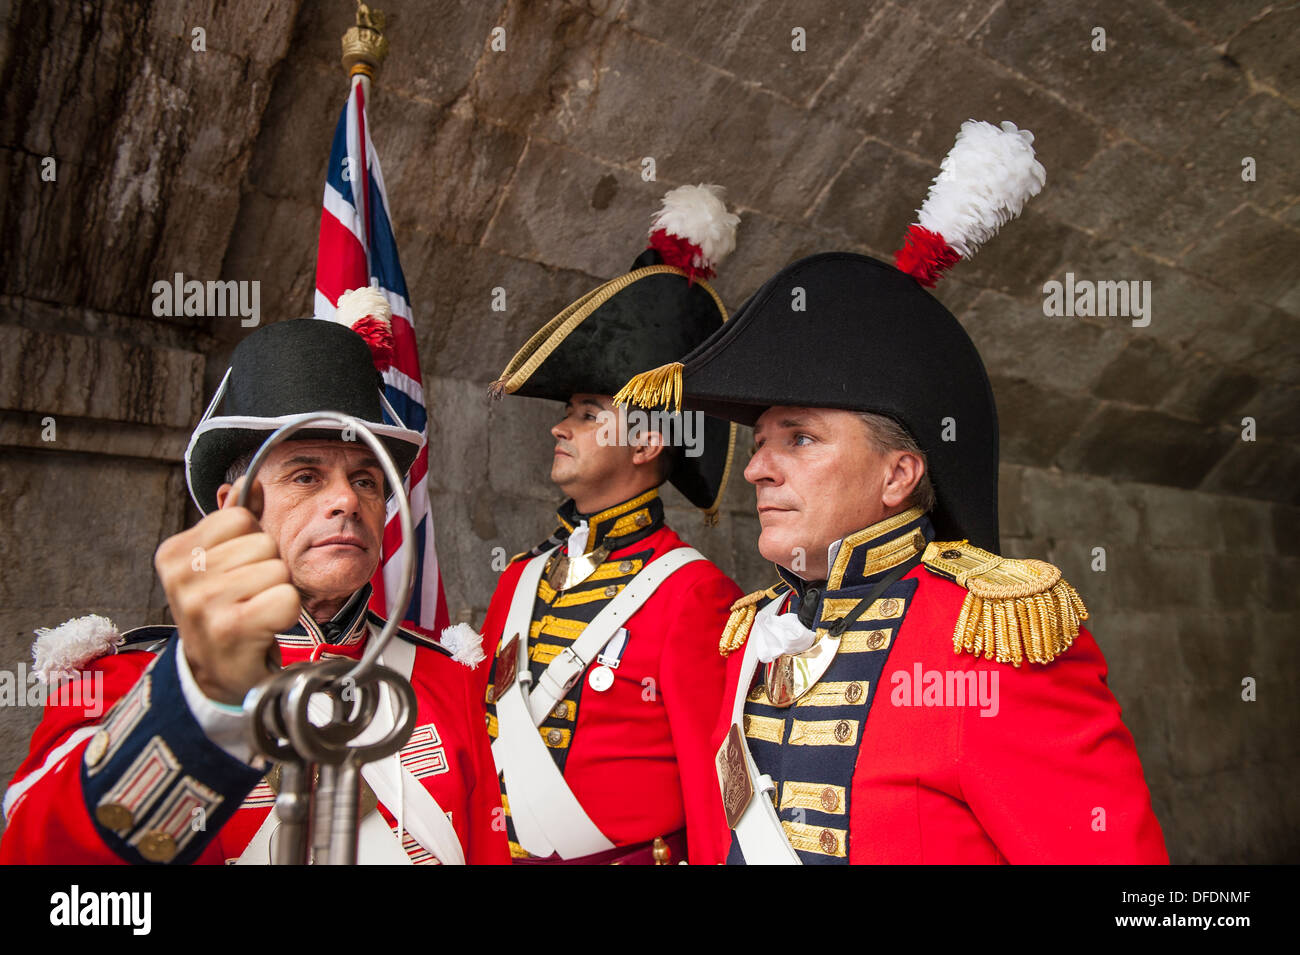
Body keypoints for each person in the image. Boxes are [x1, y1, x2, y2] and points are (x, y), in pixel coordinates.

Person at [615, 121, 1169, 864]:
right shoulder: (753, 632)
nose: (756, 468)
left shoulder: (989, 639)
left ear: (898, 475)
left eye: (799, 438)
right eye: (761, 440)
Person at [0, 293, 508, 864]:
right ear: (234, 507)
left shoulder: (452, 679)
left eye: (366, 480)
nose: (346, 499)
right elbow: (48, 863)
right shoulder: (125, 680)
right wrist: (202, 694)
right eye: (306, 475)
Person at [479, 185, 744, 864]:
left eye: (590, 411)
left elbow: (713, 791)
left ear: (650, 441)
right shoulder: (520, 579)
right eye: (570, 408)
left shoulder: (695, 595)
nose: (561, 426)